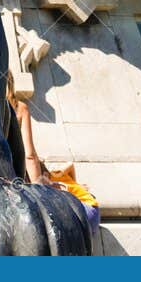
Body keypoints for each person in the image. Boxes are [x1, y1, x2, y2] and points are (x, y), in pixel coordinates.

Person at [13, 97, 100, 235]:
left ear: (45, 175)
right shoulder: (57, 176)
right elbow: (70, 165)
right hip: (90, 209)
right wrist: (75, 184)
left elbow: (31, 157)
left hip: (85, 211)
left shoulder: (53, 183)